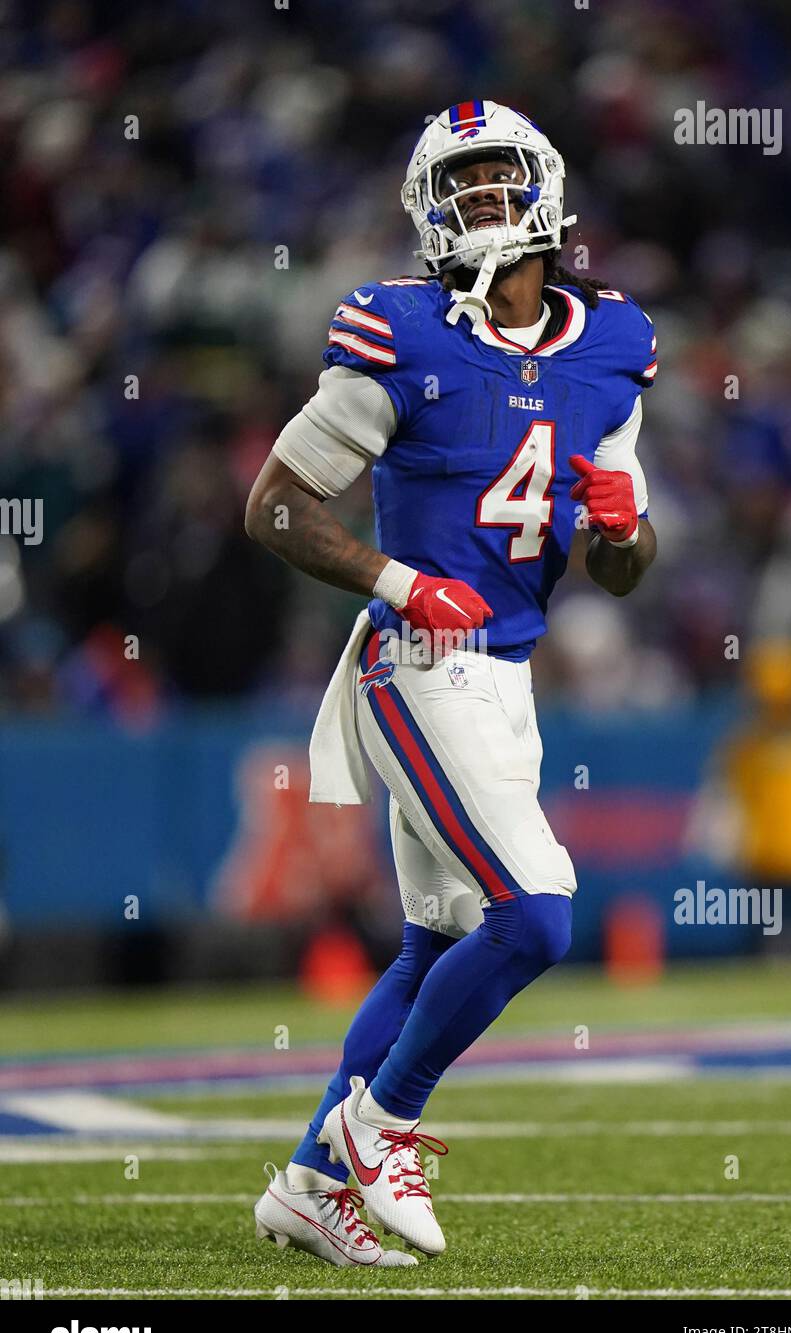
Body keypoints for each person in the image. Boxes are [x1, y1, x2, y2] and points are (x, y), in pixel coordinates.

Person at [245, 100, 658, 1266]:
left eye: (496, 177)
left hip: (507, 673)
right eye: (457, 183)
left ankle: (312, 1184)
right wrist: (393, 579)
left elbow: (621, 572)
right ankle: (382, 1122)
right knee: (534, 912)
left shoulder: (612, 344)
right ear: (428, 208)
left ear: (544, 192)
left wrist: (622, 531)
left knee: (437, 942)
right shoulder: (402, 332)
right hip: (413, 662)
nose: (478, 198)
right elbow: (274, 504)